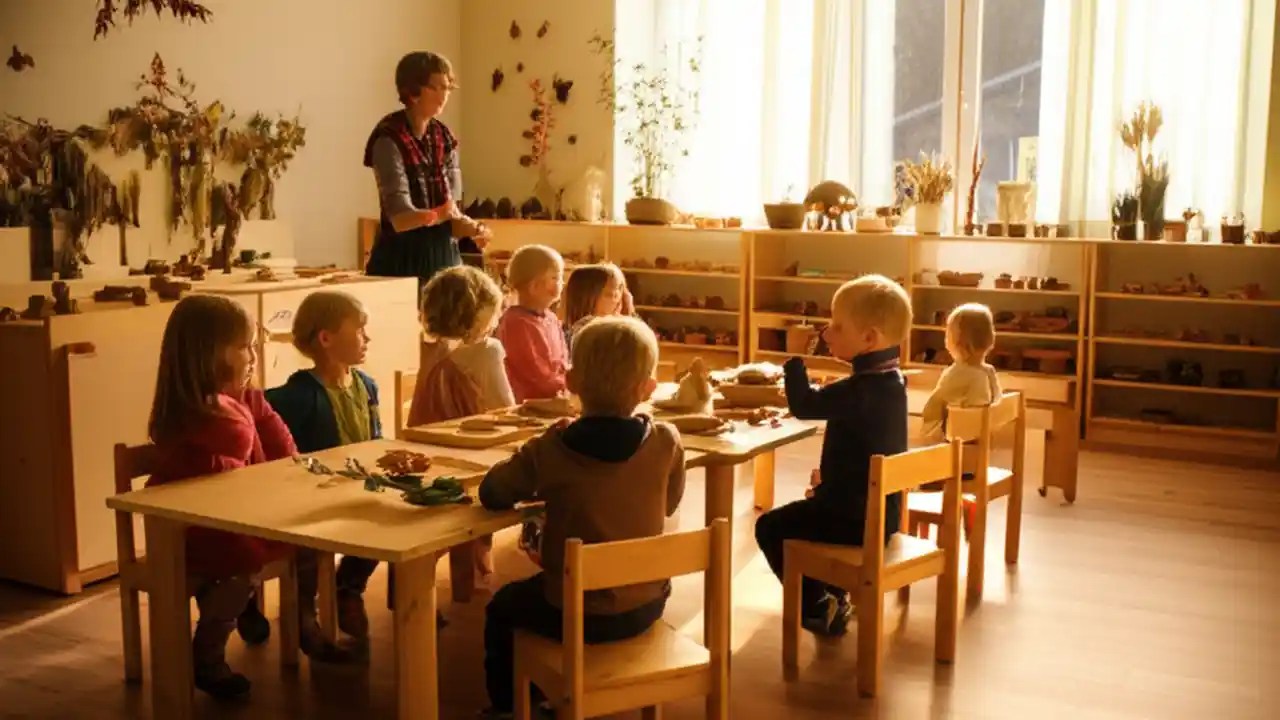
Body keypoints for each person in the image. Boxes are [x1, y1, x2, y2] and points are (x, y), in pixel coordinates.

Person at [476, 316, 686, 717]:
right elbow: (670, 505)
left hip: (572, 612)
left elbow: (493, 492)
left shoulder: (552, 448)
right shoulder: (665, 440)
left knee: (503, 607)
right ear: (649, 387)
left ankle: (512, 706)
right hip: (647, 605)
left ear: (570, 382)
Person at [145, 296, 351, 700]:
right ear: (208, 355)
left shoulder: (247, 396)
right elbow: (237, 442)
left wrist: (294, 466)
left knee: (305, 540)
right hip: (200, 528)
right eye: (244, 347)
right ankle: (208, 657)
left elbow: (276, 434)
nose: (254, 357)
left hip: (244, 514)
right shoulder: (192, 411)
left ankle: (297, 621)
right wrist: (235, 406)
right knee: (243, 565)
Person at [754, 274, 911, 637]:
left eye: (837, 326)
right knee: (807, 511)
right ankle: (834, 594)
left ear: (869, 339)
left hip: (852, 519)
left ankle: (817, 606)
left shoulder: (860, 389)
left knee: (770, 526)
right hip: (880, 513)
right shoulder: (892, 384)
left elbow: (804, 404)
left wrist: (793, 360)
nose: (827, 333)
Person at [264, 291, 384, 643]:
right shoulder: (297, 395)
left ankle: (349, 586)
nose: (367, 338)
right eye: (360, 331)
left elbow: (375, 439)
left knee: (385, 523)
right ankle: (302, 610)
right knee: (308, 551)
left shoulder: (367, 385)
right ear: (326, 338)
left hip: (357, 490)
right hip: (310, 499)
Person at [410, 265, 515, 588]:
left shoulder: (426, 347)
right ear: (478, 314)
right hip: (468, 451)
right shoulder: (485, 351)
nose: (496, 321)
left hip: (421, 449)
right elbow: (503, 407)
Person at [363, 50, 492, 289]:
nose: (444, 94)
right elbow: (400, 218)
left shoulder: (444, 137)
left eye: (448, 87)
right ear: (412, 91)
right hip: (401, 260)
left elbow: (452, 210)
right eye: (437, 87)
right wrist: (438, 215)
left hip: (444, 259)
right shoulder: (388, 138)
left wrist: (472, 228)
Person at [494, 244, 567, 402]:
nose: (562, 283)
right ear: (533, 286)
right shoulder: (515, 323)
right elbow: (534, 372)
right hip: (528, 404)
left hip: (556, 398)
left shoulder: (552, 319)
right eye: (555, 278)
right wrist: (566, 384)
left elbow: (563, 360)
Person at [920, 302, 1002, 440]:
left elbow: (932, 408)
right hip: (981, 437)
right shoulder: (989, 371)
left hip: (956, 440)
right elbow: (997, 401)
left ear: (955, 341)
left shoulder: (956, 373)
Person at [559, 262, 634, 349]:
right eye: (610, 294)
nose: (618, 299)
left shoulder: (619, 329)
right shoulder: (580, 334)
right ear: (585, 298)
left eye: (621, 290)